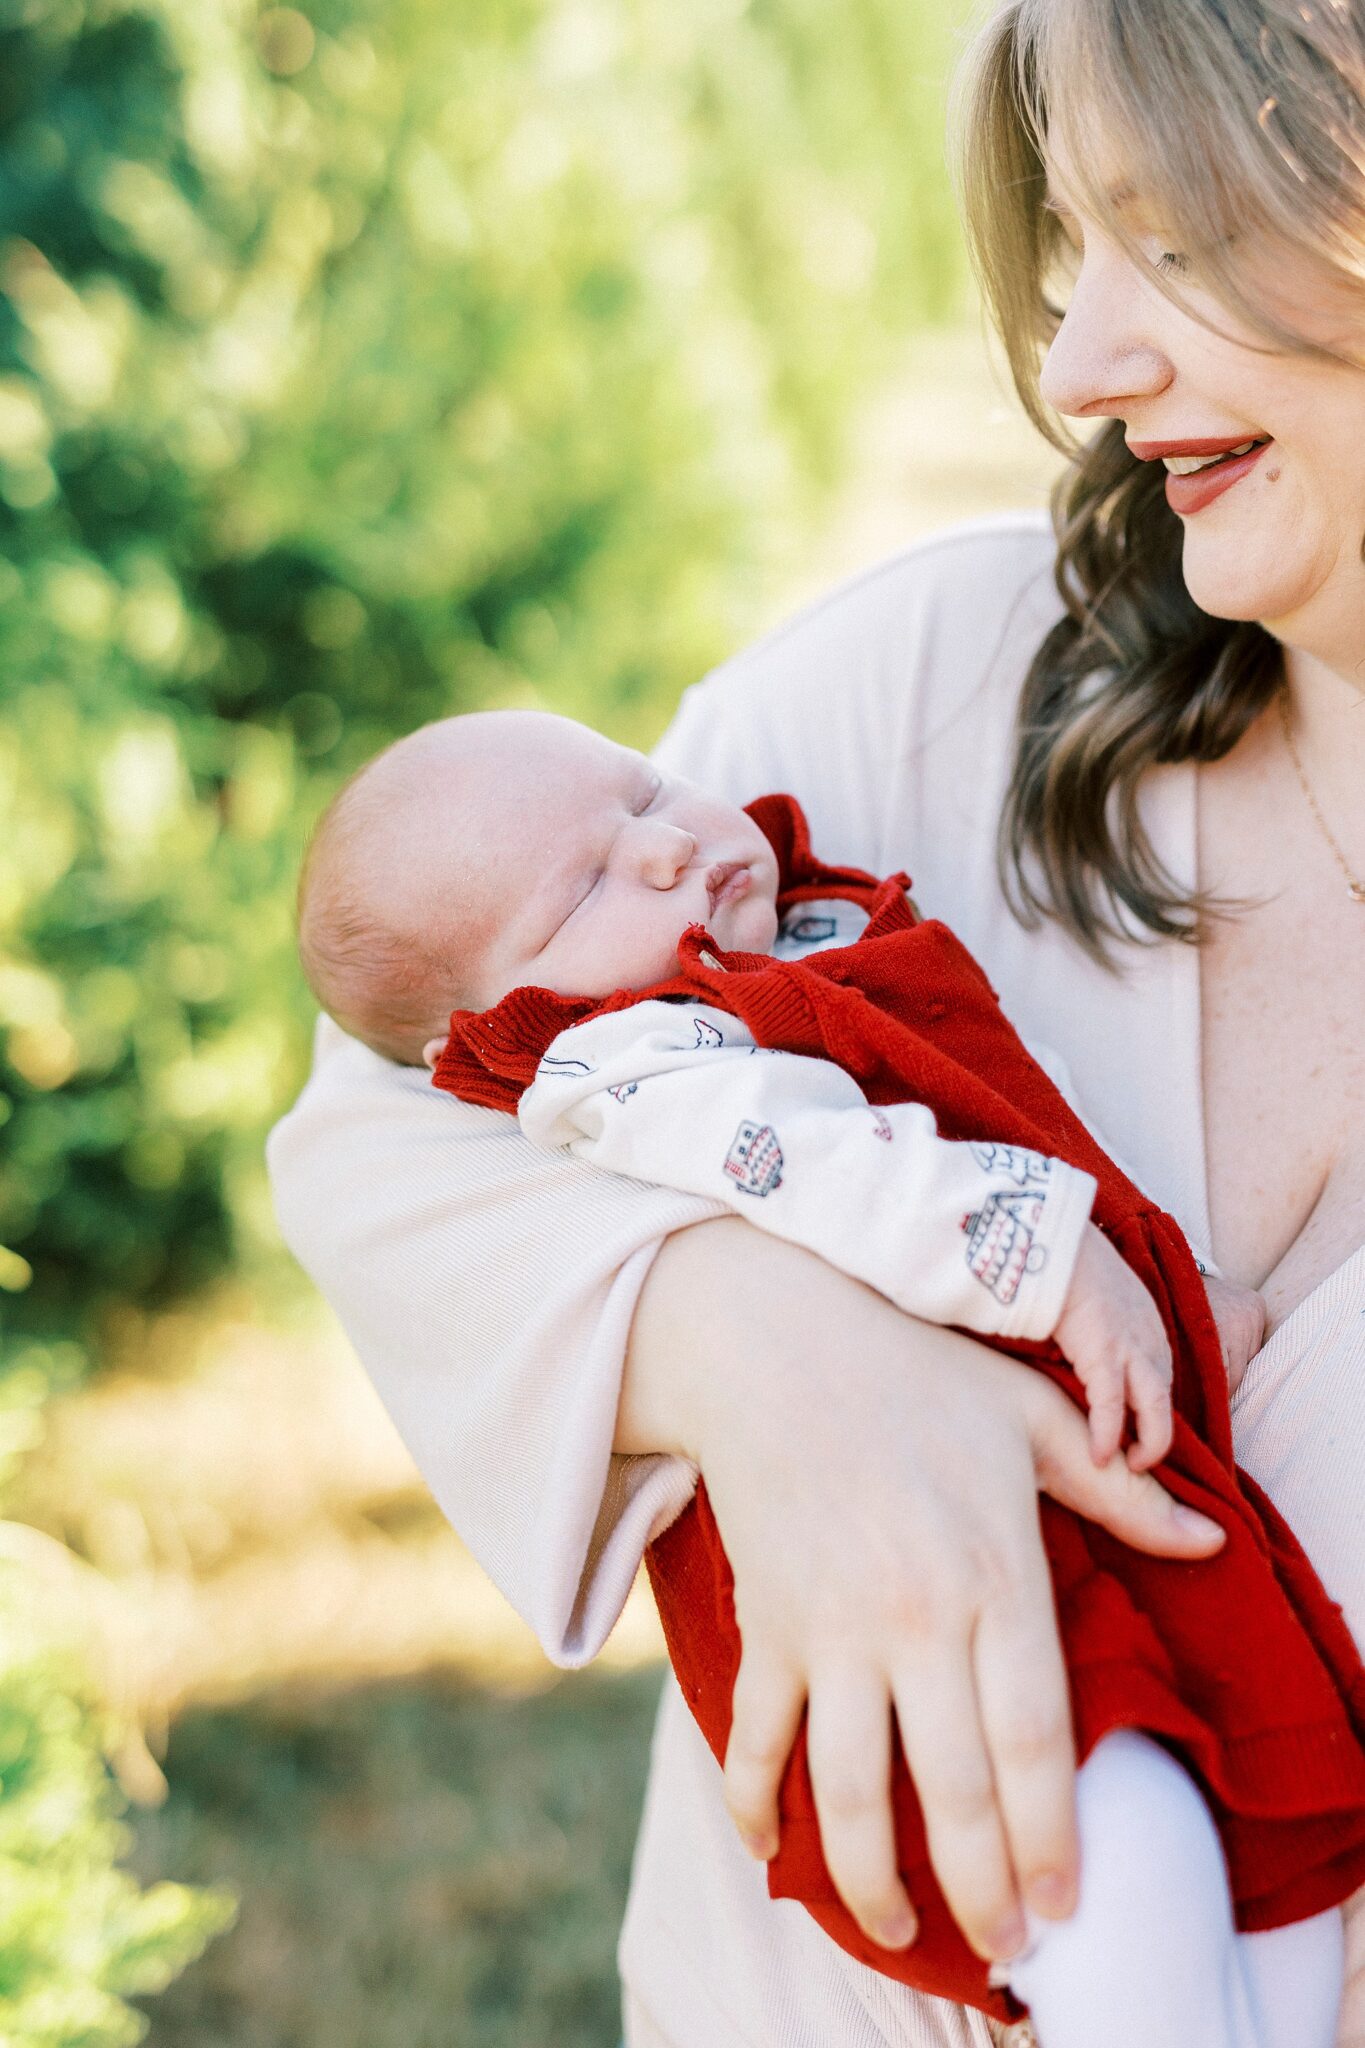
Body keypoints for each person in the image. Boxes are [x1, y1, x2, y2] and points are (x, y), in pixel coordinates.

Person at [267, 0, 1365, 2041]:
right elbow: (391, 1090)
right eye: (1071, 255)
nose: (1079, 366)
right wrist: (766, 1348)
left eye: (1177, 242)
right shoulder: (927, 692)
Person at [290, 699, 1360, 2040]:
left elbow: (1015, 1116)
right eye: (581, 888)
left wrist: (1159, 1279)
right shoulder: (639, 1061)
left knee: (1277, 1865)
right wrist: (1049, 1254)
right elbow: (821, 1161)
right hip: (941, 1611)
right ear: (507, 1013)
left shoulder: (804, 932)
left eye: (641, 792)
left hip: (1082, 1534)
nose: (664, 850)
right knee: (1117, 1854)